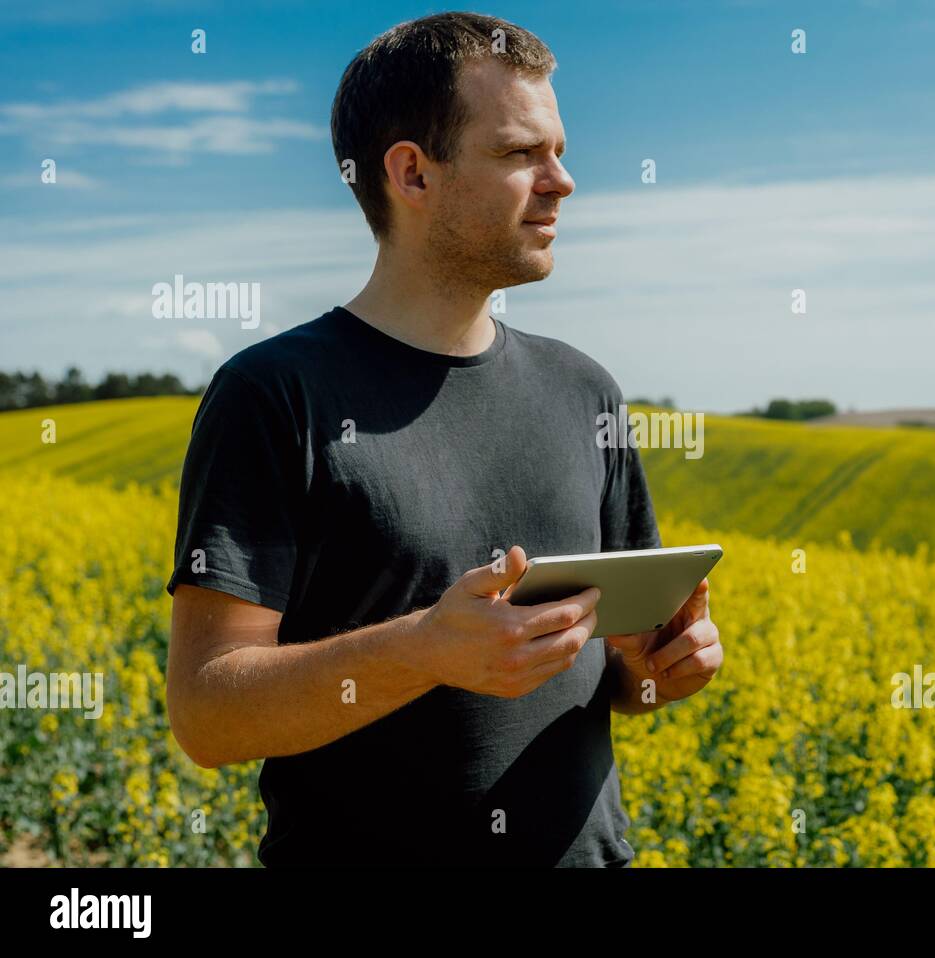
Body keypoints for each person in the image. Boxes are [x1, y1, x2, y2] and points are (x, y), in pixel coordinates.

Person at [165, 11, 722, 867]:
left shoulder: (587, 391)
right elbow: (208, 712)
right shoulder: (273, 395)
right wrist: (425, 649)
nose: (562, 181)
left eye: (560, 151)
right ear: (412, 174)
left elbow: (614, 679)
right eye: (519, 153)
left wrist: (657, 672)